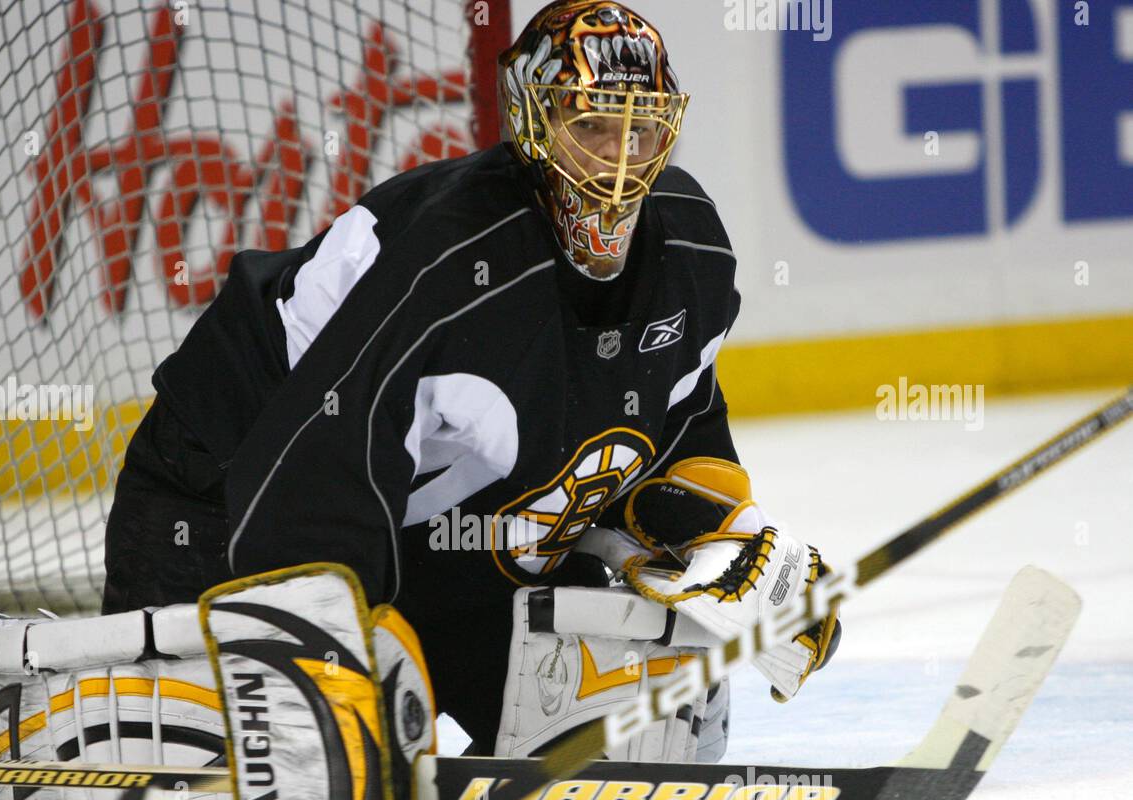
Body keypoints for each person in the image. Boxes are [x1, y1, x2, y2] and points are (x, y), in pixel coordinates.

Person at [102, 0, 839, 760]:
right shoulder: (456, 259)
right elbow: (318, 462)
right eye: (590, 126)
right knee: (261, 767)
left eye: (641, 127)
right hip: (227, 486)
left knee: (628, 741)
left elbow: (672, 422)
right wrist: (336, 652)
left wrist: (734, 542)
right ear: (531, 124)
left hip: (437, 525)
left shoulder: (692, 253)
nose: (620, 160)